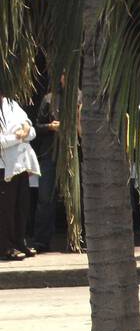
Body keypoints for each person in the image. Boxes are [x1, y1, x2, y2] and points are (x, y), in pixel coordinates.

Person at [31, 71, 82, 252]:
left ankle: (77, 240)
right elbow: (36, 127)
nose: (66, 79)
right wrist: (50, 127)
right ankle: (41, 241)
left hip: (74, 154)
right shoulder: (49, 99)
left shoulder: (81, 98)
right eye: (63, 75)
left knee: (76, 198)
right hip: (50, 153)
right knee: (46, 198)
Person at [0, 90, 40, 260]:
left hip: (21, 165)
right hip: (4, 167)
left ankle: (19, 241)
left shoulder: (12, 104)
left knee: (22, 206)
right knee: (5, 209)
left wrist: (25, 132)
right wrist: (19, 137)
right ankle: (5, 246)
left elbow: (30, 129)